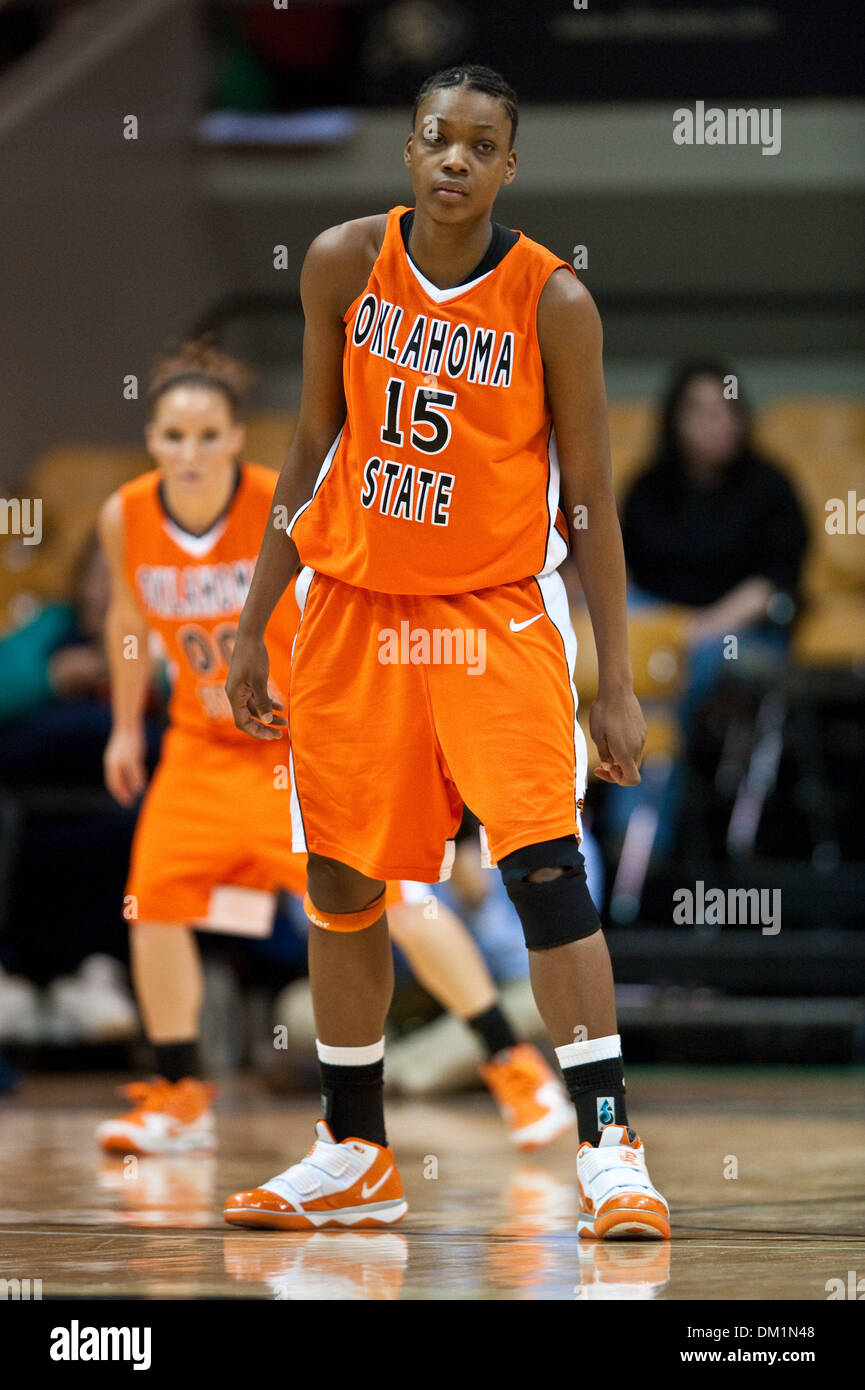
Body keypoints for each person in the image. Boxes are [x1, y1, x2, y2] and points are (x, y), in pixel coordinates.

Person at [223, 66, 669, 1239]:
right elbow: (312, 441)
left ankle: (609, 1144)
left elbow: (590, 507)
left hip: (493, 618)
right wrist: (254, 618)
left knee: (541, 873)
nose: (455, 159)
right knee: (342, 883)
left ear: (509, 166)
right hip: (353, 612)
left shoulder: (552, 300)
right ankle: (354, 1148)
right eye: (437, 138)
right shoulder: (338, 262)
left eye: (481, 144)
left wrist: (610, 677)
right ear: (409, 152)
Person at [96, 338, 573, 1157]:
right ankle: (178, 1092)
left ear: (238, 437)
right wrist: (126, 725)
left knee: (396, 908)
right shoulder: (125, 515)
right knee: (152, 902)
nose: (190, 452)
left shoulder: (279, 504)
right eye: (173, 436)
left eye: (208, 435)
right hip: (198, 750)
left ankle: (510, 1063)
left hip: (291, 745)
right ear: (151, 441)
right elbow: (129, 621)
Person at [614, 361, 809, 856]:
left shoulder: (770, 488)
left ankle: (639, 838)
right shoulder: (648, 489)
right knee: (610, 649)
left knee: (667, 666)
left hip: (739, 635)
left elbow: (774, 585)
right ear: (674, 421)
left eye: (728, 410)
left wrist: (694, 630)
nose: (716, 423)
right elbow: (622, 574)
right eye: (700, 412)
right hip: (658, 624)